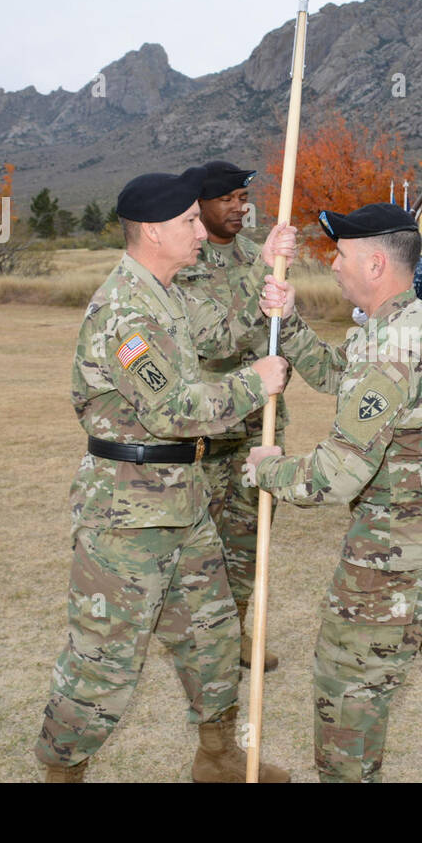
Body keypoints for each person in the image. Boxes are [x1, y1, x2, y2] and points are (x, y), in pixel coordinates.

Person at [34, 168, 294, 783]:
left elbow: (222, 337)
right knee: (105, 661)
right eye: (187, 222)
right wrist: (254, 384)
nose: (201, 230)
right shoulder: (125, 313)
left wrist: (269, 296)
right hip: (129, 515)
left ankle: (217, 755)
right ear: (153, 231)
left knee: (212, 637)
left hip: (184, 501)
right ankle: (62, 772)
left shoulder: (167, 292)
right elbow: (173, 409)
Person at [245, 203, 422, 783]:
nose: (334, 265)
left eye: (340, 255)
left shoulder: (390, 343)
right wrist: (288, 322)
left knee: (349, 676)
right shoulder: (412, 321)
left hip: (401, 542)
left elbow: (339, 473)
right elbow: (336, 371)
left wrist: (270, 470)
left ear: (374, 263)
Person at [174, 159, 284, 672]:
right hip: (206, 427)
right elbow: (214, 339)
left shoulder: (253, 251)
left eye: (244, 197)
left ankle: (236, 630)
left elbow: (282, 325)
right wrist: (264, 268)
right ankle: (203, 641)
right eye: (229, 199)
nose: (241, 207)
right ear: (199, 204)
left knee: (248, 541)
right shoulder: (183, 260)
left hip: (255, 426)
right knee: (201, 547)